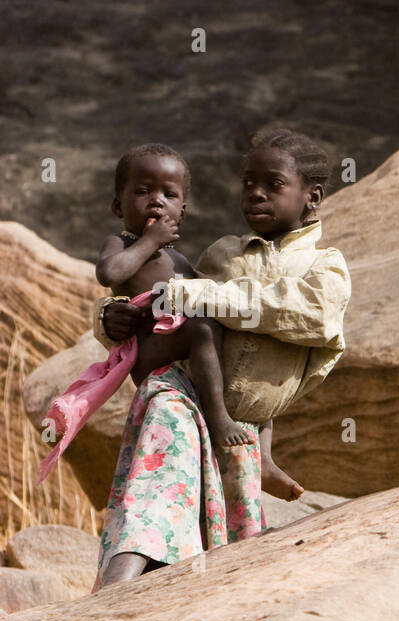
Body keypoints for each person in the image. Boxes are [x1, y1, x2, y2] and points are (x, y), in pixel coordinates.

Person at [94, 127, 349, 587]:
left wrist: (205, 295)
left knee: (231, 531)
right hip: (182, 391)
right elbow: (158, 301)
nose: (255, 194)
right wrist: (109, 318)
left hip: (243, 421)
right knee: (160, 480)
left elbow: (313, 317)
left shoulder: (325, 267)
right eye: (248, 182)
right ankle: (119, 579)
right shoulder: (223, 253)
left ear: (312, 197)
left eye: (272, 185)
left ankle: (189, 596)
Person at [39, 145, 248, 481]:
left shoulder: (179, 260)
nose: (156, 200)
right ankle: (218, 417)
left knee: (210, 327)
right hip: (150, 347)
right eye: (143, 191)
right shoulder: (121, 242)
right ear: (117, 205)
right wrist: (149, 241)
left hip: (181, 350)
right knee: (202, 329)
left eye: (169, 194)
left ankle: (244, 438)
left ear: (181, 211)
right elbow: (109, 273)